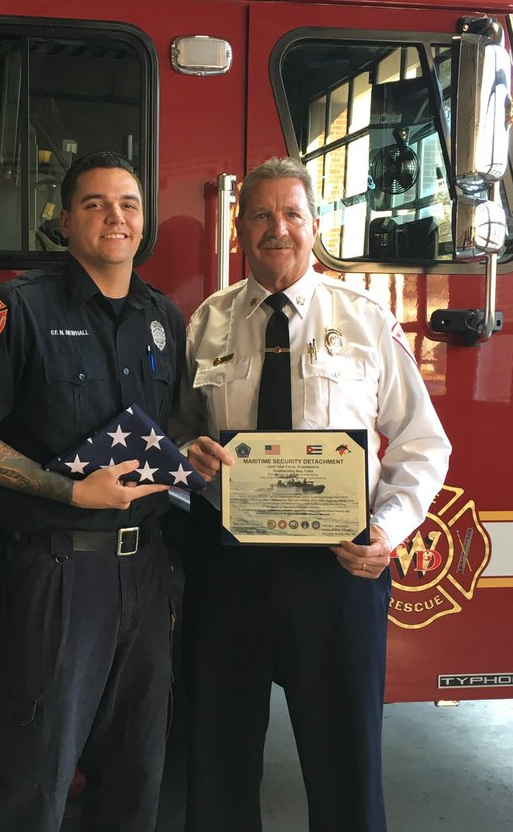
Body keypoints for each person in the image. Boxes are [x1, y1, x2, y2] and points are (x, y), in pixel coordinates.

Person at [170, 157, 451, 832]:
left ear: (314, 226)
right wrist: (188, 455)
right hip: (229, 568)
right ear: (239, 227)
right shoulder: (207, 322)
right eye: (262, 214)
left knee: (346, 765)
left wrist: (386, 532)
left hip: (337, 569)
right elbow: (179, 431)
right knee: (217, 761)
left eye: (292, 214)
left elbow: (421, 443)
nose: (278, 229)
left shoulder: (363, 320)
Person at [0, 150, 186, 832]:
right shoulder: (17, 310)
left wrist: (201, 453)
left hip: (148, 568)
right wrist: (68, 492)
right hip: (61, 567)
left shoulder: (163, 318)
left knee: (138, 764)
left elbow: (173, 432)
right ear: (65, 221)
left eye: (128, 203)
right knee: (37, 766)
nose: (115, 217)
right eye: (96, 204)